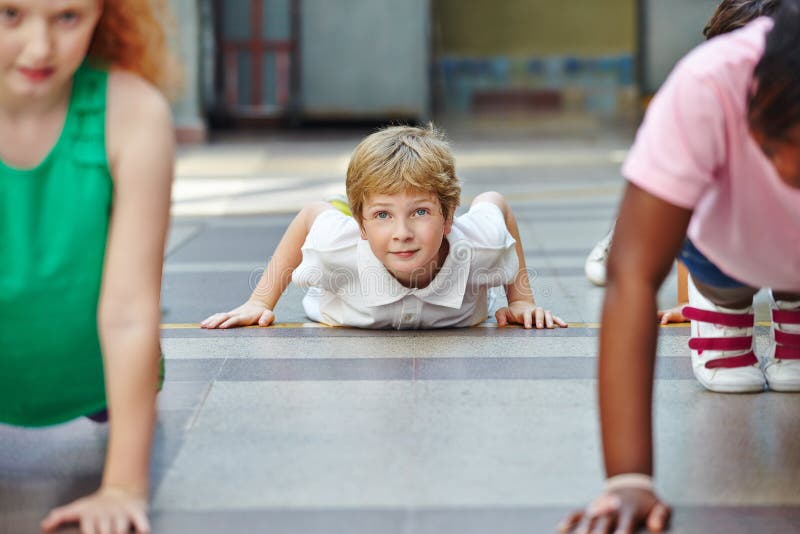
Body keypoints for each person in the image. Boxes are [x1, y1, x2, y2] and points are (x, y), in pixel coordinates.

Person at [560, 1, 800, 532]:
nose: (786, 170)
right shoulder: (706, 85)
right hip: (723, 246)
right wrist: (629, 479)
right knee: (719, 269)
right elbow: (635, 275)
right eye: (778, 144)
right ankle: (722, 303)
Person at [0, 0, 176, 532]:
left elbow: (128, 312)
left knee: (116, 391)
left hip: (93, 373)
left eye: (67, 17)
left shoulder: (134, 113)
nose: (39, 47)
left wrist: (122, 485)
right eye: (10, 14)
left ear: (107, 14)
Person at [201, 125, 567, 331]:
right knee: (334, 211)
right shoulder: (336, 246)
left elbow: (495, 202)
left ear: (449, 216)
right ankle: (359, 204)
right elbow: (311, 213)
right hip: (338, 299)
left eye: (421, 212)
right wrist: (259, 301)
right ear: (360, 226)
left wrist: (521, 300)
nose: (402, 233)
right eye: (382, 216)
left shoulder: (478, 244)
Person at [585, 0, 782, 329]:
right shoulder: (704, 104)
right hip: (710, 214)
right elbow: (687, 204)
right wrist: (688, 301)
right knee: (678, 200)